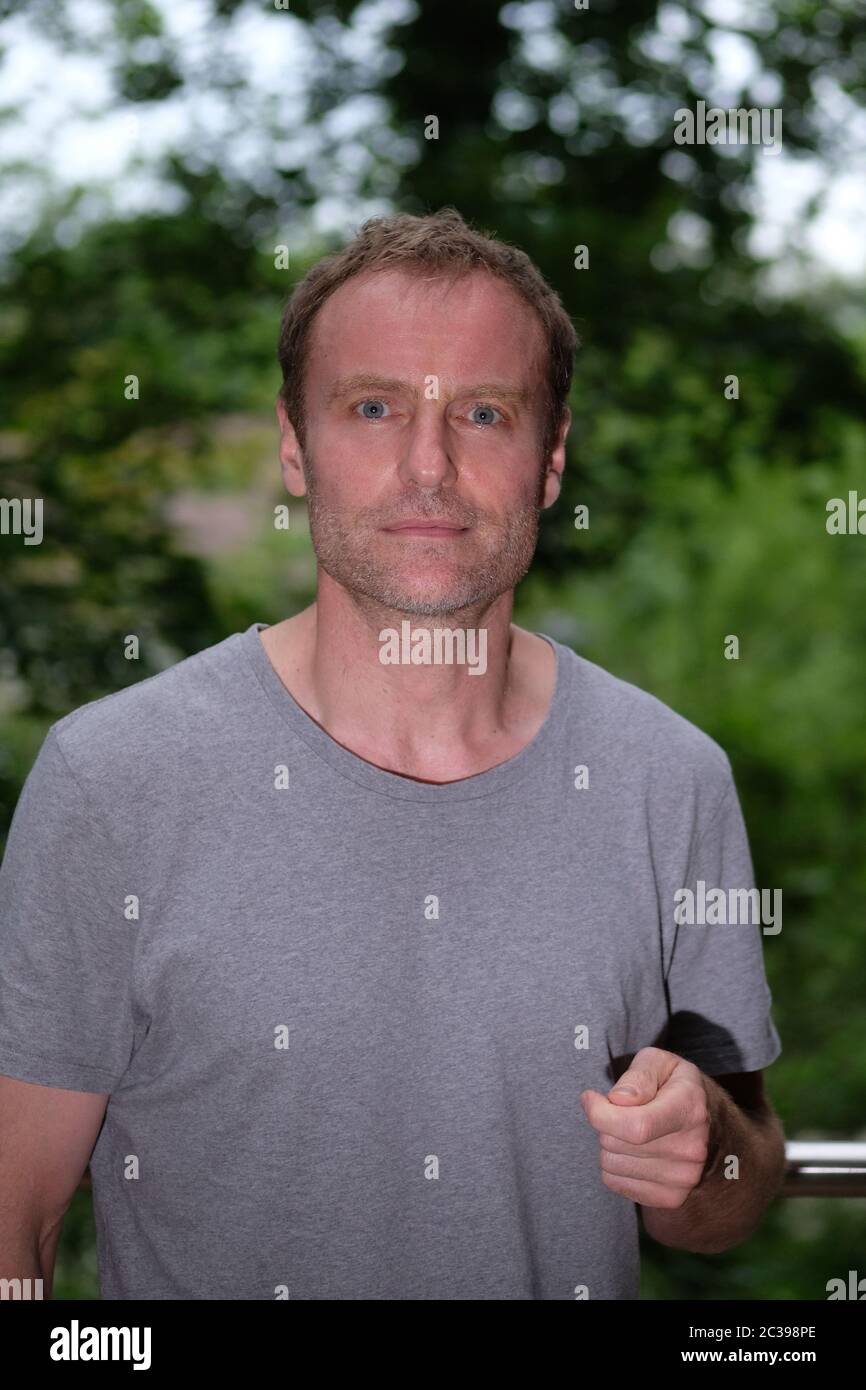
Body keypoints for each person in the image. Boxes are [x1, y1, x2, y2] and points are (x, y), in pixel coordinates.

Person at [0, 208, 784, 1301]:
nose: (429, 464)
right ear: (292, 444)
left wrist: (704, 1146)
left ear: (549, 460)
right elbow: (13, 1233)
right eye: (371, 407)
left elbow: (736, 1186)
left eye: (482, 411)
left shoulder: (669, 778)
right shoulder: (112, 783)